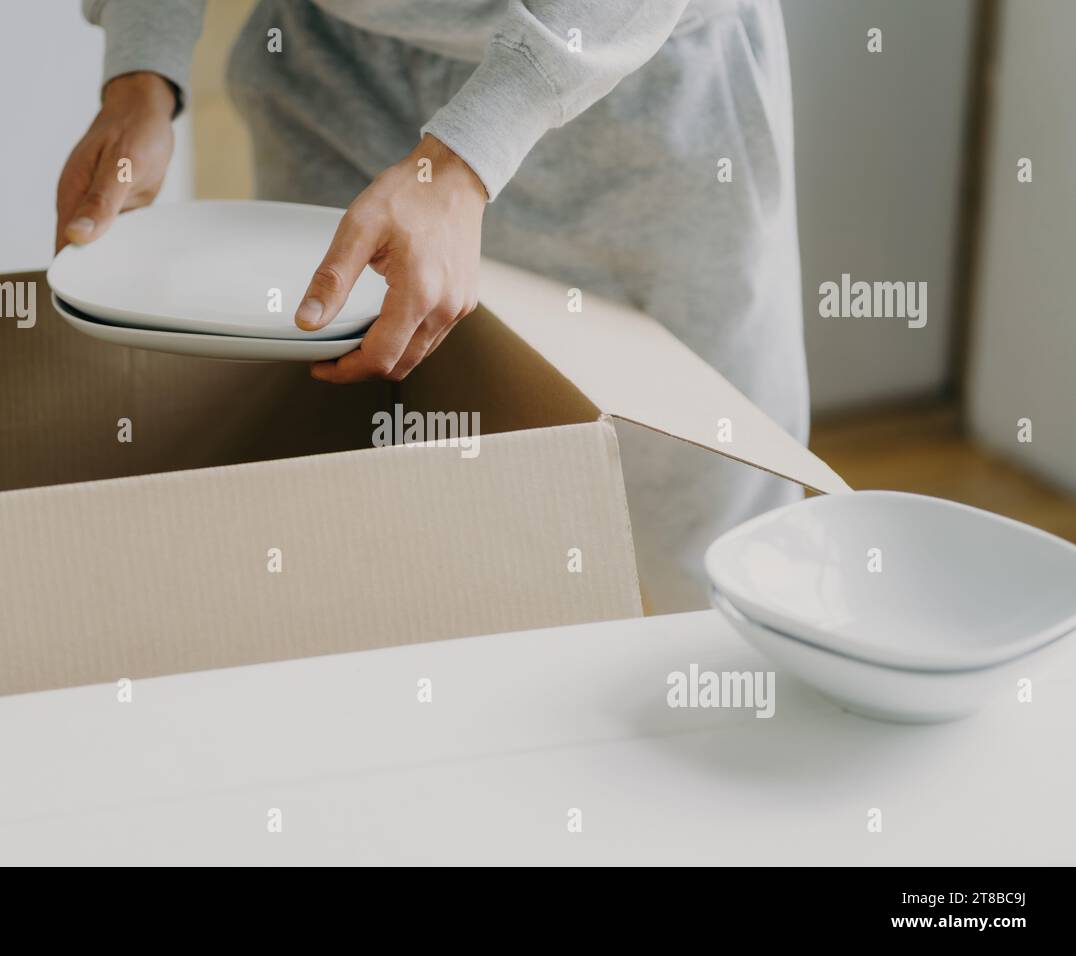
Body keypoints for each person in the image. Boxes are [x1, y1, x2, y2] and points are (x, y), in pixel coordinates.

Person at [57, 0, 808, 611]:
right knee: (366, 509)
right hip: (337, 67)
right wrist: (139, 72)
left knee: (698, 536)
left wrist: (467, 157)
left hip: (625, 87)